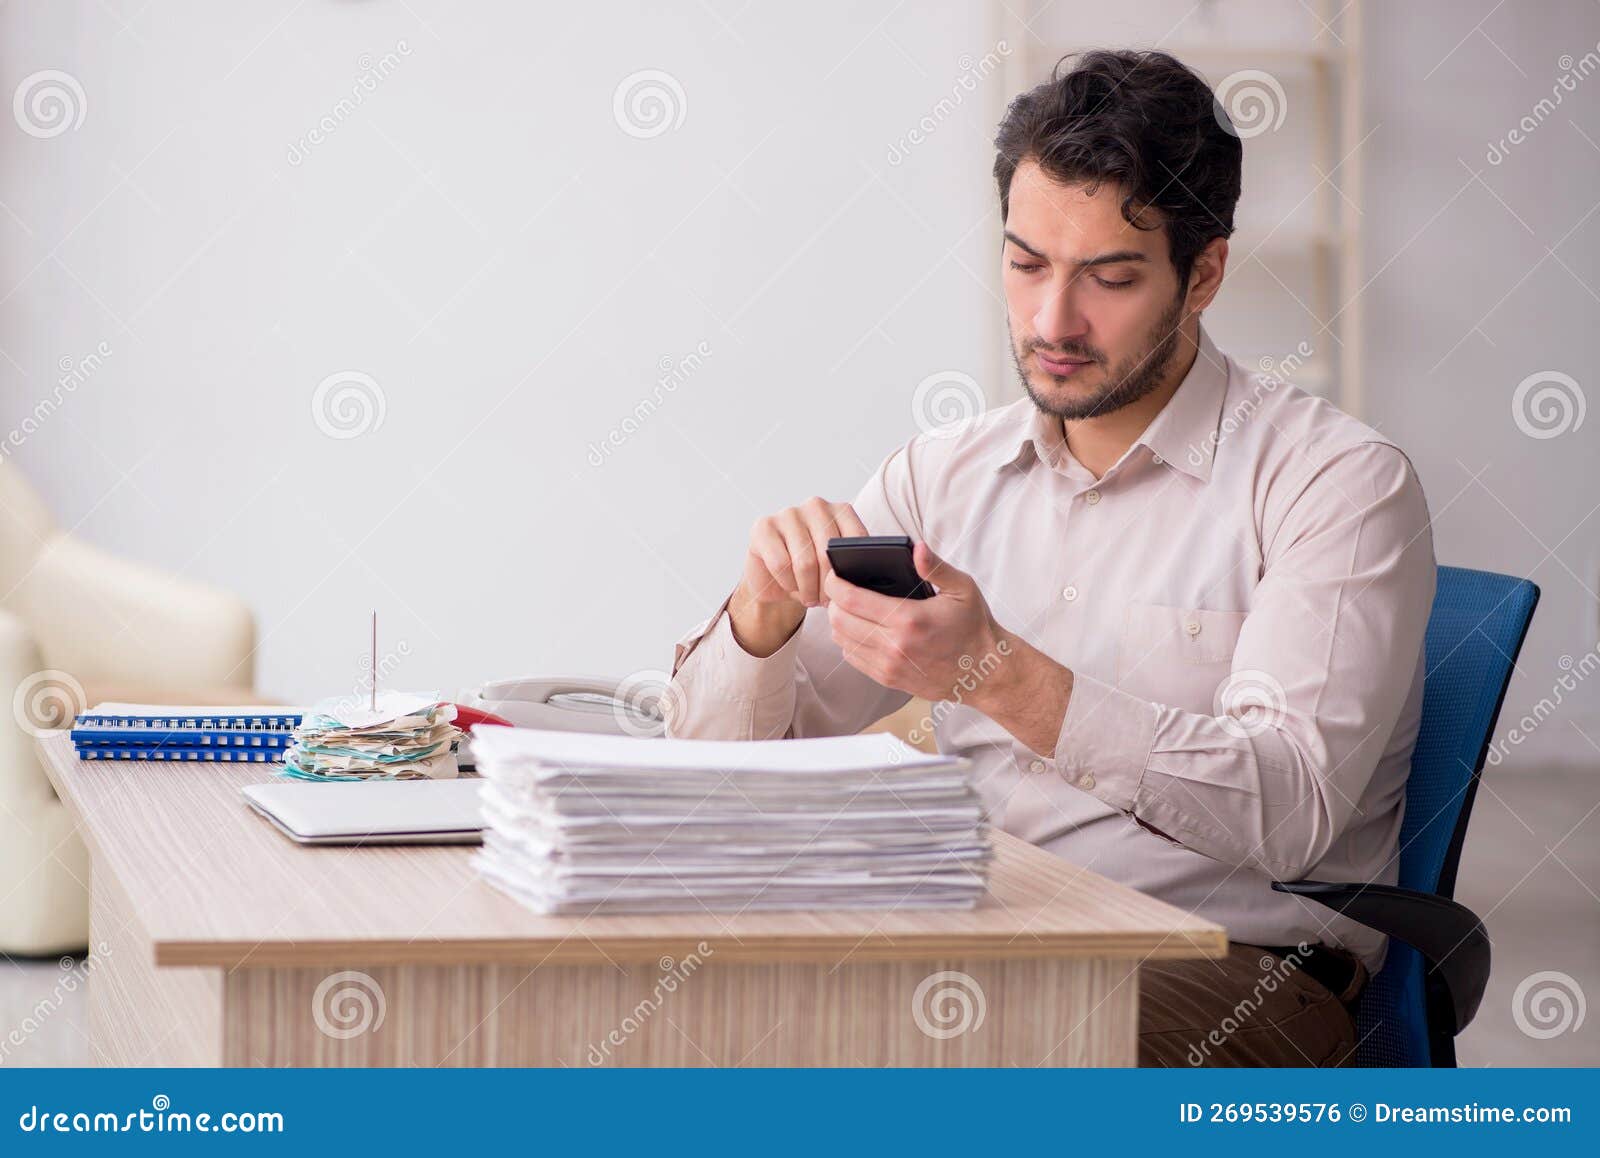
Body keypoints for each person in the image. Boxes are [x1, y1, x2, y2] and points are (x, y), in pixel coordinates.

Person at [665, 49, 1435, 1066]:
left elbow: (1288, 807)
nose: (1050, 323)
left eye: (1108, 279)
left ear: (1201, 273)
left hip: (1227, 973)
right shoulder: (943, 475)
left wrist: (994, 672)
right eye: (1027, 265)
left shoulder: (1333, 484)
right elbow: (722, 782)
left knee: (886, 1056)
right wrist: (758, 623)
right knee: (673, 1016)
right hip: (972, 935)